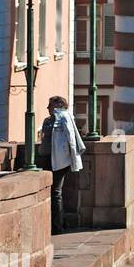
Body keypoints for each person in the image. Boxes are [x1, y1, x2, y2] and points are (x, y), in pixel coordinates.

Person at [38, 96, 86, 234]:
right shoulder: (48, 120)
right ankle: (59, 222)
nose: (48, 108)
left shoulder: (64, 117)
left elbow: (71, 139)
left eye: (50, 105)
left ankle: (57, 226)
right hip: (48, 158)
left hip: (59, 161)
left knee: (55, 193)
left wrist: (74, 160)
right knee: (53, 192)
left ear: (59, 105)